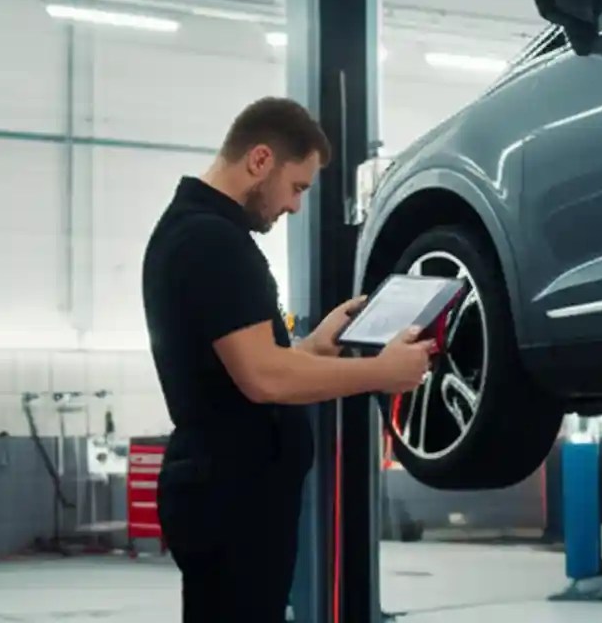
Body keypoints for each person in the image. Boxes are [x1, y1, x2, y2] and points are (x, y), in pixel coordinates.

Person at [141, 97, 435, 621]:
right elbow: (262, 378)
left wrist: (315, 349)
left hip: (225, 491)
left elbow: (241, 369)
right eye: (297, 187)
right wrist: (381, 372)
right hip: (233, 501)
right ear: (259, 160)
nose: (296, 206)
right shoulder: (213, 242)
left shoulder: (193, 232)